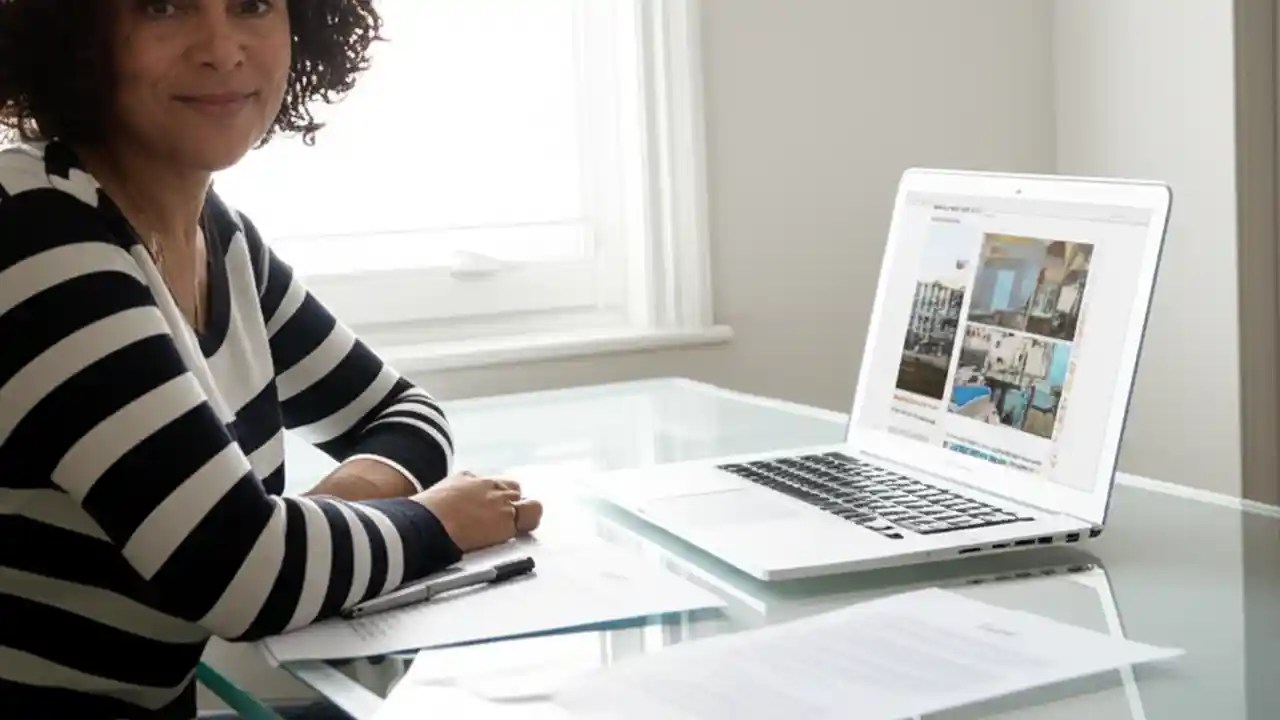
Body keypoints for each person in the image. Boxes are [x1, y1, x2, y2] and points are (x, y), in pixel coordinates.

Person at [0, 1, 543, 717]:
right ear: (77, 36)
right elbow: (235, 572)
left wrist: (323, 517)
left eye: (252, 5)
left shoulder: (218, 239)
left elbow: (406, 414)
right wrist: (439, 523)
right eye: (164, 7)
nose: (222, 50)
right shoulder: (34, 234)